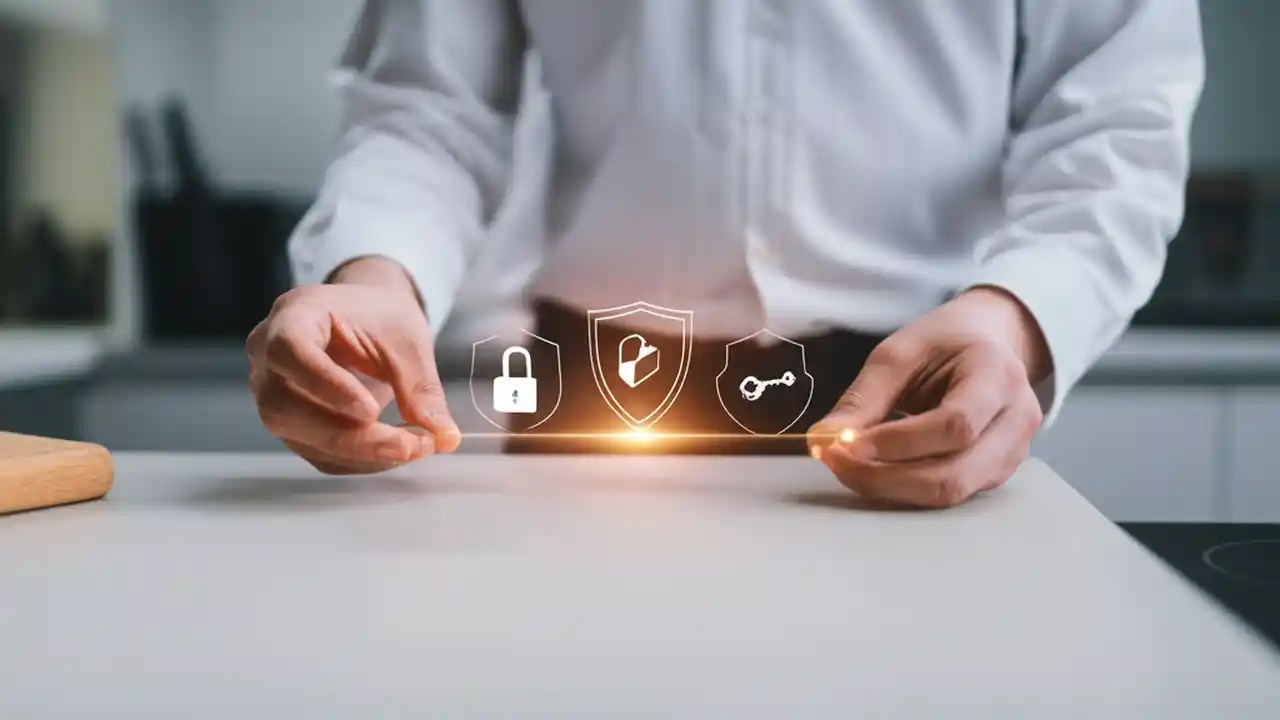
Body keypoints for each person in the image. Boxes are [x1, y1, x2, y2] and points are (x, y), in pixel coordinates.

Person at [247, 0, 1203, 506]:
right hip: (588, 400)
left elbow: (1114, 124)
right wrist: (373, 274)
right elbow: (428, 108)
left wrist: (1014, 317)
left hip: (917, 394)